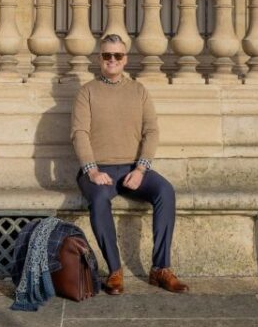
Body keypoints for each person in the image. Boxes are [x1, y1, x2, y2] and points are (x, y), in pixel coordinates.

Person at [70, 33, 189, 295]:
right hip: (98, 171)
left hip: (133, 169)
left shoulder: (139, 91)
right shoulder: (86, 92)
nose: (112, 60)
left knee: (165, 191)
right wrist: (92, 170)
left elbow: (152, 132)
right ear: (99, 58)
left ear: (125, 60)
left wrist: (140, 169)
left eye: (117, 55)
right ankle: (115, 271)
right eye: (106, 55)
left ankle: (161, 268)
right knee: (100, 199)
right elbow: (79, 133)